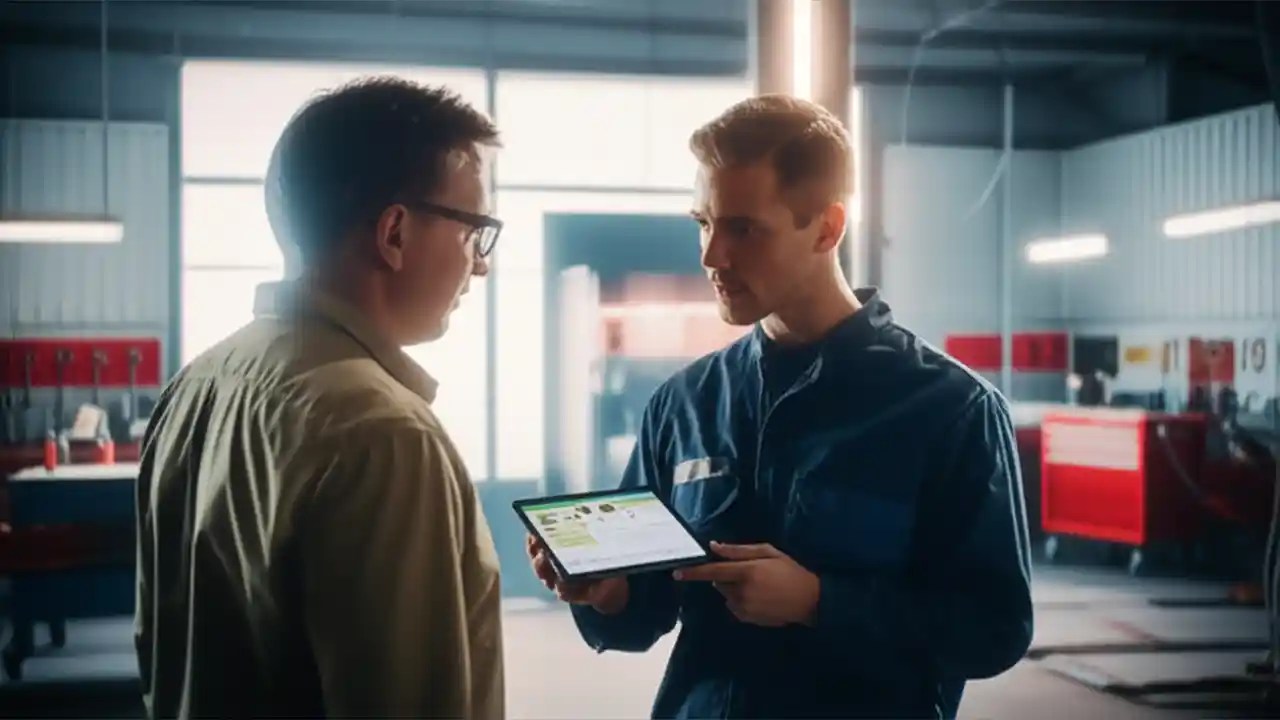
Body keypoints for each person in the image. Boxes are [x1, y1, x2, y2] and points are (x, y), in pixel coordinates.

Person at [527, 95, 1033, 719]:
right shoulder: (684, 404)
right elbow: (648, 610)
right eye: (703, 222)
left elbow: (994, 629)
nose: (712, 256)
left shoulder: (951, 411)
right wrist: (604, 593)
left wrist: (820, 601)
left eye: (742, 228)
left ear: (827, 227)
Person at [135, 77, 505, 719]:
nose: (481, 265)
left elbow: (157, 650)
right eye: (475, 231)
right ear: (394, 232)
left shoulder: (195, 385)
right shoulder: (384, 434)